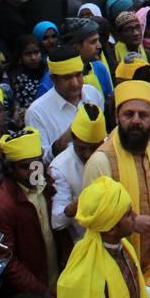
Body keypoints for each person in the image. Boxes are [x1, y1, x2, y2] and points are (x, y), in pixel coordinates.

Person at [82, 80, 150, 267]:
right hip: (118, 266)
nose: (136, 121)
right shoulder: (101, 161)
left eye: (143, 115)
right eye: (128, 114)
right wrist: (132, 221)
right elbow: (92, 220)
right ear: (116, 117)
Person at [0, 127, 58, 298]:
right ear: (11, 168)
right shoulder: (1, 205)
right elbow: (6, 260)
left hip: (58, 280)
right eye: (25, 167)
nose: (34, 171)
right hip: (31, 296)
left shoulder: (47, 184)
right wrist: (42, 292)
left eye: (37, 163)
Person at [49, 102, 106, 247]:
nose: (87, 154)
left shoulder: (110, 150)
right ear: (73, 138)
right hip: (85, 246)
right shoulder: (59, 167)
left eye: (94, 149)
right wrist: (78, 204)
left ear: (102, 141)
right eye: (81, 148)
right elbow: (57, 221)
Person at [25, 48, 88, 160]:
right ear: (53, 78)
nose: (75, 83)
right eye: (67, 77)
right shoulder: (36, 113)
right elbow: (40, 162)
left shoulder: (93, 94)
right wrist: (64, 140)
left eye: (78, 75)